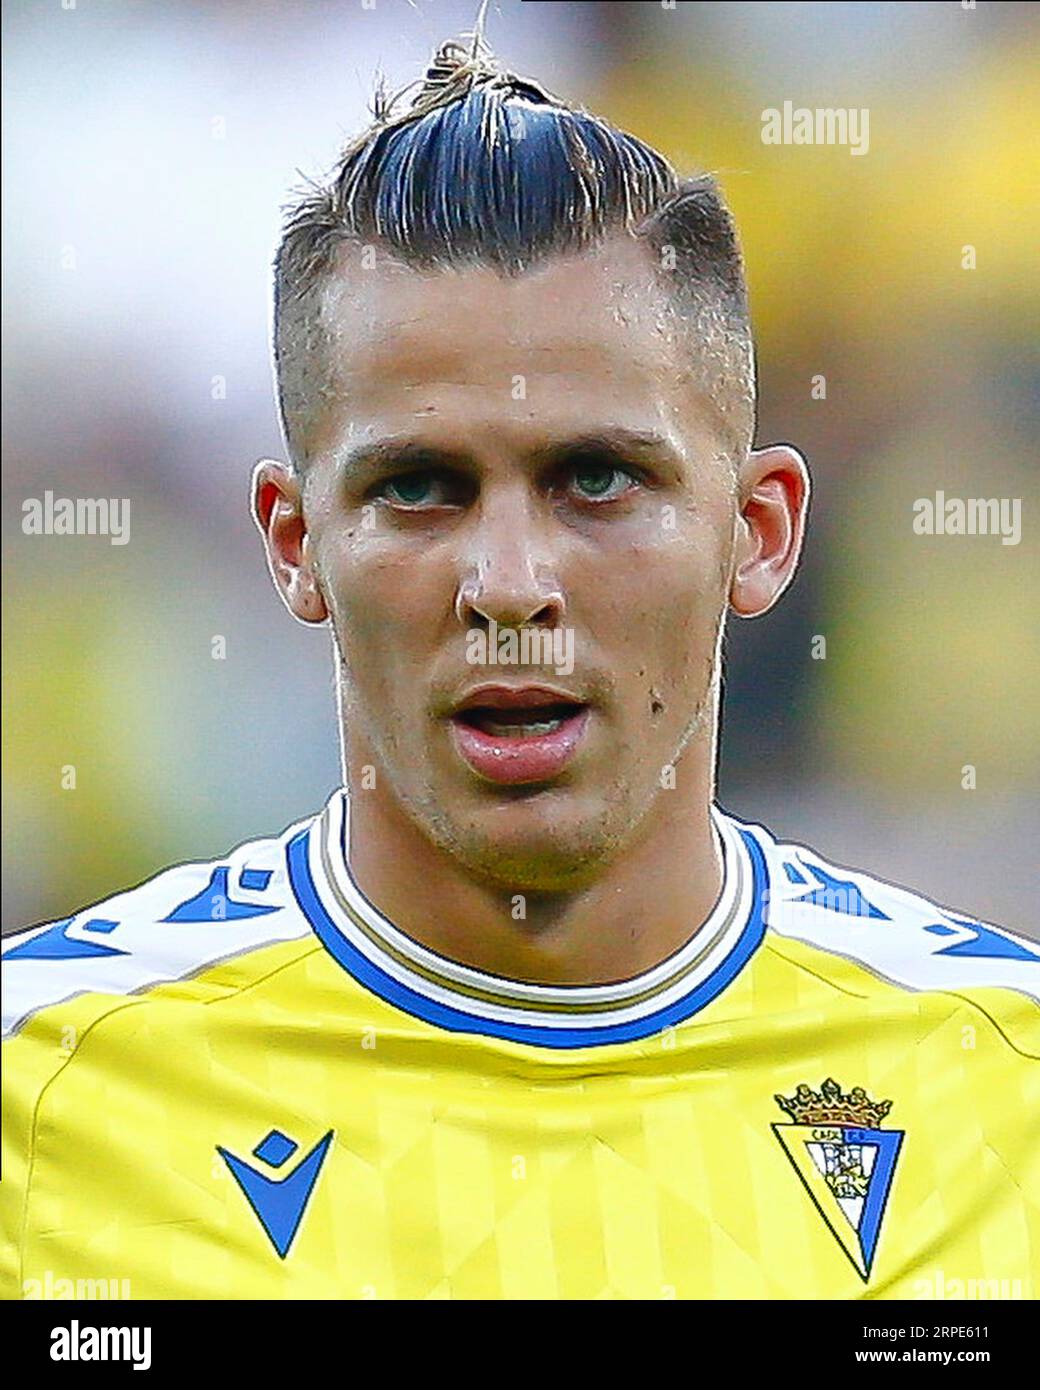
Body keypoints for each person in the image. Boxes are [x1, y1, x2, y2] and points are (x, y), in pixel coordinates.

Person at [2, 33, 1036, 1302]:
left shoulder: (1001, 1087)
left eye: (595, 478)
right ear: (294, 542)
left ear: (755, 533)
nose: (505, 584)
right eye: (419, 487)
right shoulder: (41, 1092)